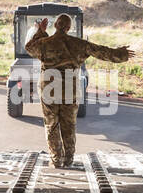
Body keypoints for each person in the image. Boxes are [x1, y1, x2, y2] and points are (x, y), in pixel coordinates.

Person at [24, 13, 130, 168]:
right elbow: (101, 52)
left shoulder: (44, 43)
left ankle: (56, 159)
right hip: (69, 90)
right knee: (69, 125)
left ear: (55, 26)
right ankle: (68, 159)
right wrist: (121, 54)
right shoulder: (79, 44)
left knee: (51, 125)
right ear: (68, 28)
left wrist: (41, 32)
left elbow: (29, 47)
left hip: (49, 90)